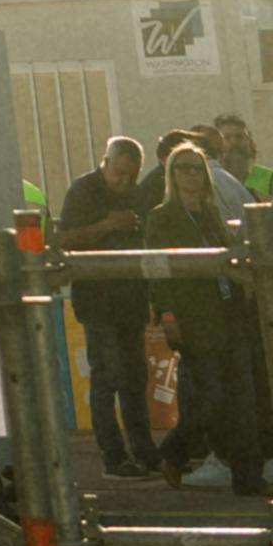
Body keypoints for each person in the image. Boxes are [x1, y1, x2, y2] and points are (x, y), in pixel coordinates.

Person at [159, 131, 266, 497]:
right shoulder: (162, 218)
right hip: (195, 321)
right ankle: (174, 448)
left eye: (196, 169)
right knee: (211, 398)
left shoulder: (212, 215)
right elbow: (159, 274)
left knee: (244, 399)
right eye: (183, 169)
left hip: (231, 314)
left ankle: (248, 478)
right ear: (172, 175)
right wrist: (168, 317)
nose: (191, 175)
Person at [58, 135, 158, 486]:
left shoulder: (136, 194)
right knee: (108, 376)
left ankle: (144, 451)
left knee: (134, 378)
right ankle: (113, 456)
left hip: (130, 299)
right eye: (119, 173)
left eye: (131, 175)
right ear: (105, 162)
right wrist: (106, 226)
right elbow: (63, 240)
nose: (124, 181)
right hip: (98, 301)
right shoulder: (83, 191)